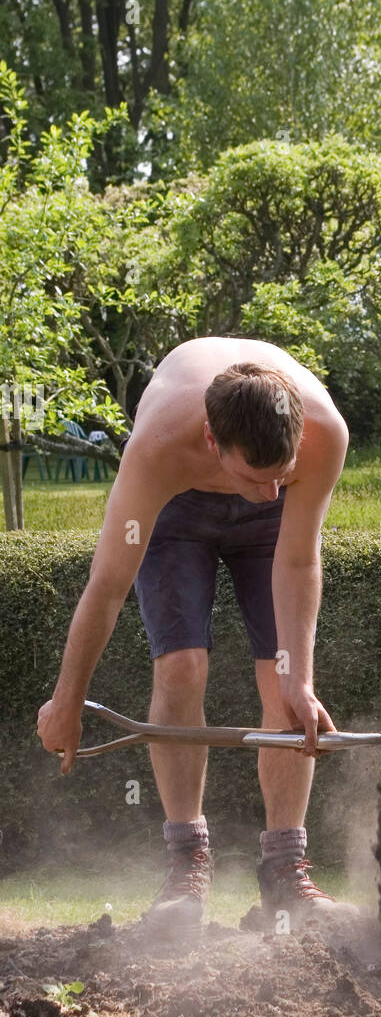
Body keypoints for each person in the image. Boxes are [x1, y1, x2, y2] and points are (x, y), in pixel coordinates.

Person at [37, 340, 356, 937]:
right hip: (177, 513)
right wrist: (67, 699)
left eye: (280, 476)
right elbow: (107, 583)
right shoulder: (158, 448)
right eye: (255, 477)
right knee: (181, 668)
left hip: (273, 537)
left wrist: (300, 679)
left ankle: (286, 871)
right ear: (213, 441)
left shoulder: (321, 435)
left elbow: (296, 563)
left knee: (281, 688)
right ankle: (186, 864)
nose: (268, 491)